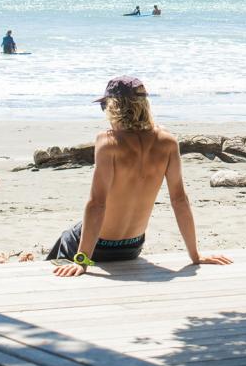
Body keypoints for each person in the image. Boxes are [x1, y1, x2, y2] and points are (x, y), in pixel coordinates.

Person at [50, 76, 231, 275]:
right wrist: (195, 255)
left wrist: (82, 261)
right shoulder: (168, 142)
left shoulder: (108, 142)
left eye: (104, 106)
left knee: (68, 236)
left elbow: (97, 204)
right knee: (76, 230)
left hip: (100, 247)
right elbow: (180, 200)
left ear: (114, 106)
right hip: (132, 247)